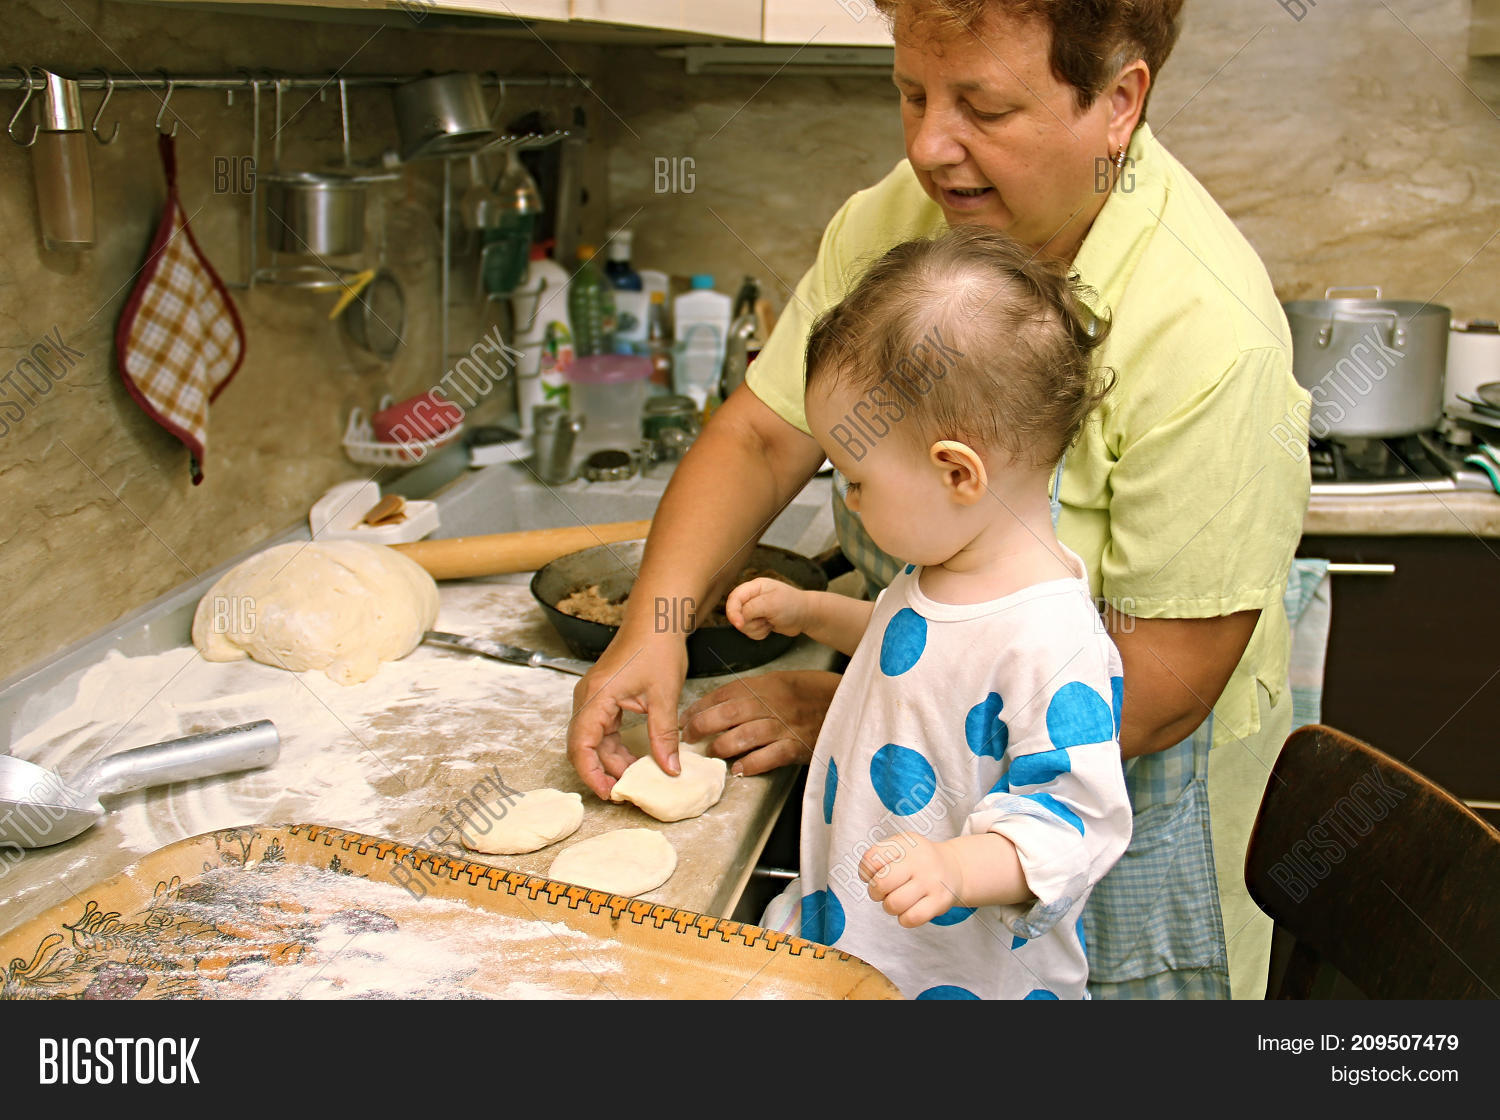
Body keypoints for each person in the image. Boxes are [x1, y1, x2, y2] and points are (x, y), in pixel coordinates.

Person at [567, 0, 1311, 1000]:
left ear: (1119, 102)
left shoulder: (1210, 334)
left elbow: (1164, 681)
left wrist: (873, 707)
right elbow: (760, 431)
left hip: (1116, 829)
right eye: (911, 92)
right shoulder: (899, 220)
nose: (928, 145)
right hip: (909, 829)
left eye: (984, 107)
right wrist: (656, 625)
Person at [724, 226, 1132, 999]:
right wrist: (811, 611)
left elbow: (1073, 828)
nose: (845, 497)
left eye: (855, 479)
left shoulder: (1052, 640)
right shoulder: (940, 574)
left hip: (959, 981)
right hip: (857, 934)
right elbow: (911, 654)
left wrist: (954, 866)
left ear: (956, 473)